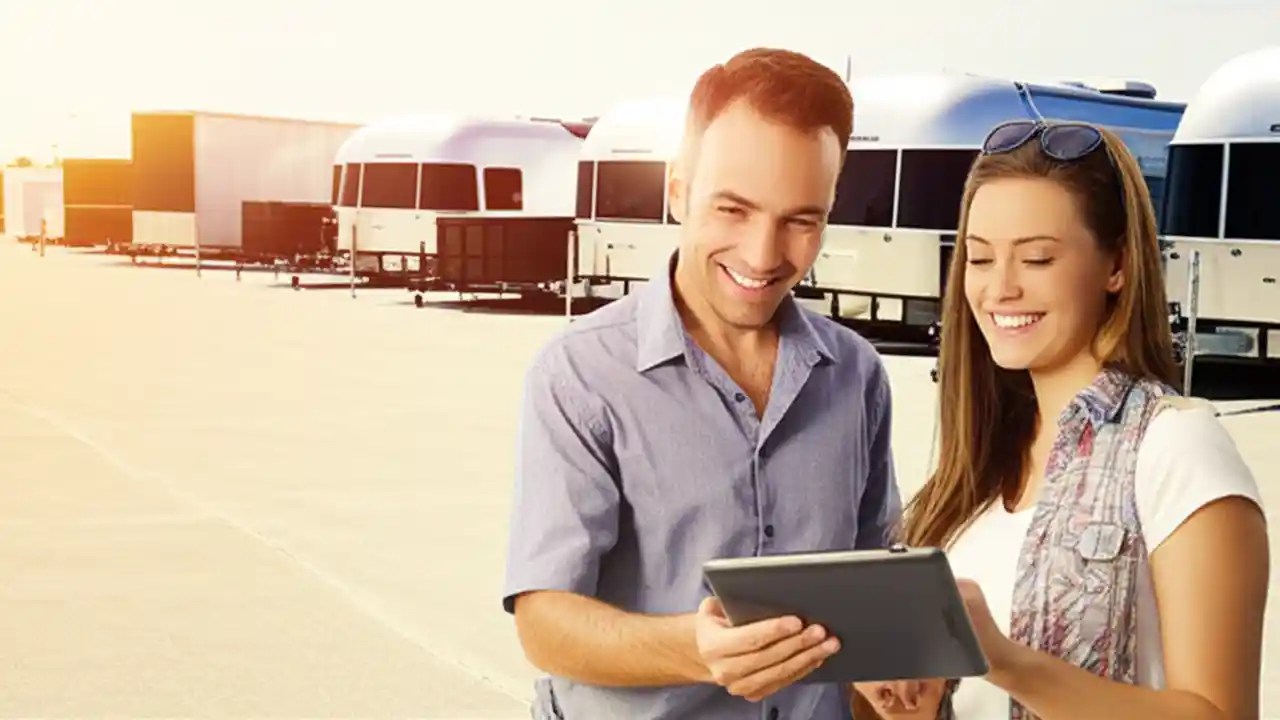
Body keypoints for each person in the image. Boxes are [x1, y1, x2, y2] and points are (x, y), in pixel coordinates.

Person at [501, 47, 902, 719]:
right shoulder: (580, 374)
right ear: (679, 189)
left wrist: (897, 670)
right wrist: (694, 648)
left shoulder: (857, 376)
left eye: (802, 220)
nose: (763, 255)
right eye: (733, 210)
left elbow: (873, 595)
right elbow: (544, 620)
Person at [852, 120, 1269, 719]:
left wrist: (1004, 659)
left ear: (1117, 266)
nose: (1000, 288)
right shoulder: (976, 469)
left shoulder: (1177, 446)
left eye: (1038, 258)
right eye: (979, 258)